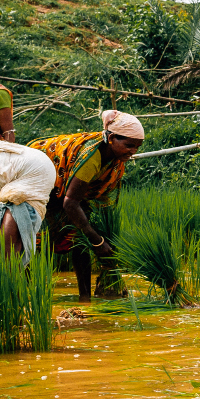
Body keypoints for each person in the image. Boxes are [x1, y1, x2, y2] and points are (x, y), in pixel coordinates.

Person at [29, 110, 144, 302]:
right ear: (112, 138)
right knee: (39, 242)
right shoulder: (91, 158)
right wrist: (98, 241)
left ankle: (85, 299)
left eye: (137, 147)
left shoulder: (116, 158)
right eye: (129, 145)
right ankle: (30, 296)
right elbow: (70, 202)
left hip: (66, 193)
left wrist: (102, 236)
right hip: (39, 180)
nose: (133, 152)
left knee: (80, 238)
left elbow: (99, 200)